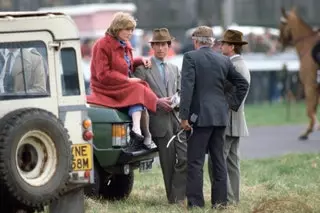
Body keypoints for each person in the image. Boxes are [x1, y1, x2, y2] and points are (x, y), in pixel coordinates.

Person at [179, 26, 249, 209]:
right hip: (220, 118)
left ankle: (195, 204)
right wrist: (230, 104)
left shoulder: (190, 57)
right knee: (219, 161)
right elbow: (242, 83)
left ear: (195, 41)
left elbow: (187, 89)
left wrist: (183, 116)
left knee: (195, 163)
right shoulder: (223, 60)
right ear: (212, 42)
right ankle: (220, 203)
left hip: (199, 119)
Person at [87, 12, 165, 150]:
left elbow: (124, 64)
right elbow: (103, 74)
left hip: (120, 85)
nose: (130, 33)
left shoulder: (124, 44)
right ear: (118, 28)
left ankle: (140, 133)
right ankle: (142, 133)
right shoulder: (102, 45)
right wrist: (127, 80)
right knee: (139, 89)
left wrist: (141, 60)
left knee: (140, 94)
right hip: (106, 87)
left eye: (132, 30)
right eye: (127, 29)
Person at [134, 28, 187, 204]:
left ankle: (178, 195)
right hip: (158, 121)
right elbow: (139, 93)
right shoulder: (143, 69)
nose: (160, 48)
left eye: (164, 45)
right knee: (168, 162)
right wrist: (156, 101)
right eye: (157, 45)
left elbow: (181, 90)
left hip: (177, 119)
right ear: (153, 47)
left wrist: (176, 101)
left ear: (169, 46)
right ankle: (175, 200)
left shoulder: (174, 68)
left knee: (185, 157)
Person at [208, 29, 251, 204]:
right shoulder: (239, 63)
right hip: (236, 121)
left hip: (228, 121)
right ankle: (233, 200)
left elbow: (234, 92)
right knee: (232, 163)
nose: (220, 46)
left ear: (231, 47)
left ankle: (222, 199)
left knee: (216, 162)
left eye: (223, 43)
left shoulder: (234, 65)